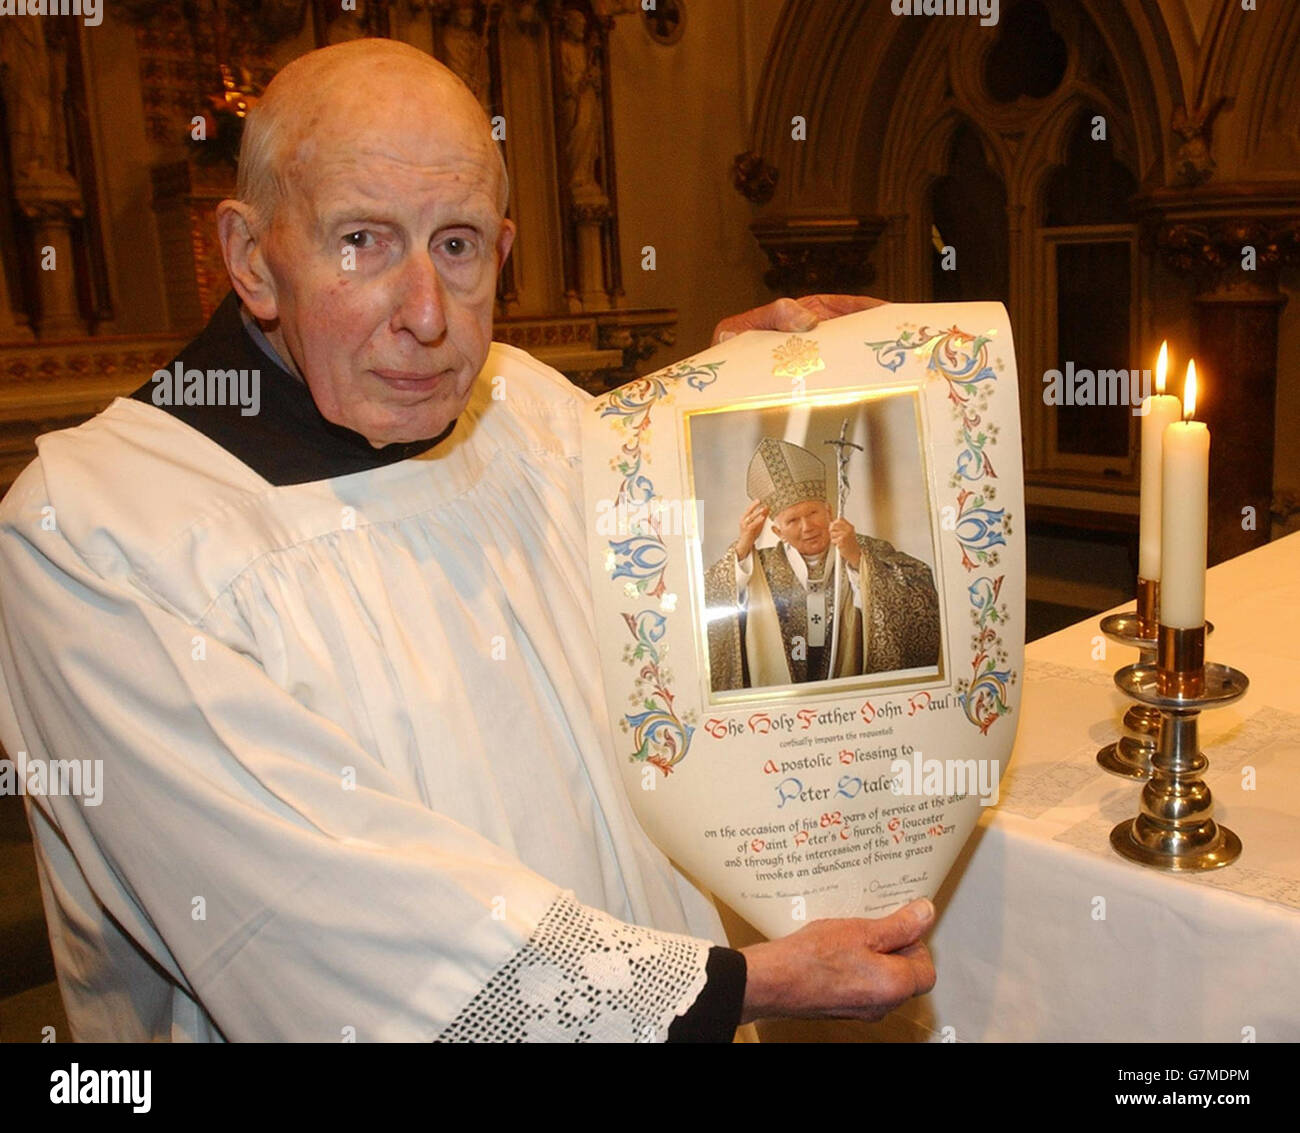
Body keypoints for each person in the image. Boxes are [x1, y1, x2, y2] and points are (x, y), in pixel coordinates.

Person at [0, 39, 935, 1042]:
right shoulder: (96, 529)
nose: (426, 315)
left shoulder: (528, 406)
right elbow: (326, 916)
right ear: (248, 258)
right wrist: (730, 987)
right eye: (361, 240)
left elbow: (674, 610)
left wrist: (730, 405)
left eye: (456, 244)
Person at [705, 438, 940, 692]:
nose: (807, 527)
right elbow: (709, 602)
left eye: (813, 513)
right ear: (777, 530)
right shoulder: (759, 566)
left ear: (829, 511)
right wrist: (742, 547)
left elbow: (919, 588)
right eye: (793, 520)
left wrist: (859, 561)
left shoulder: (865, 549)